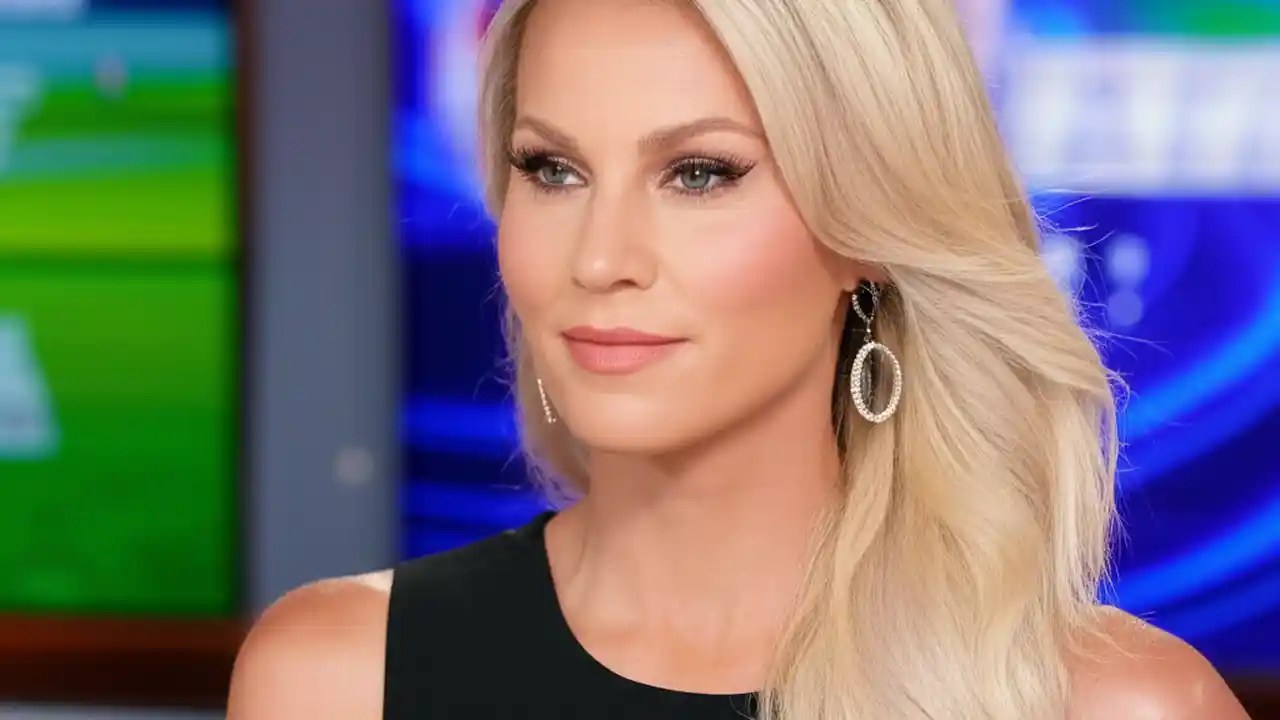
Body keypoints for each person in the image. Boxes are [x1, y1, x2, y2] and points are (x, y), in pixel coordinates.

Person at [227, 0, 1251, 717]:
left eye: (699, 174)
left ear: (865, 220)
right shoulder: (335, 679)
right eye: (552, 170)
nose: (599, 257)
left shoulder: (1111, 706)